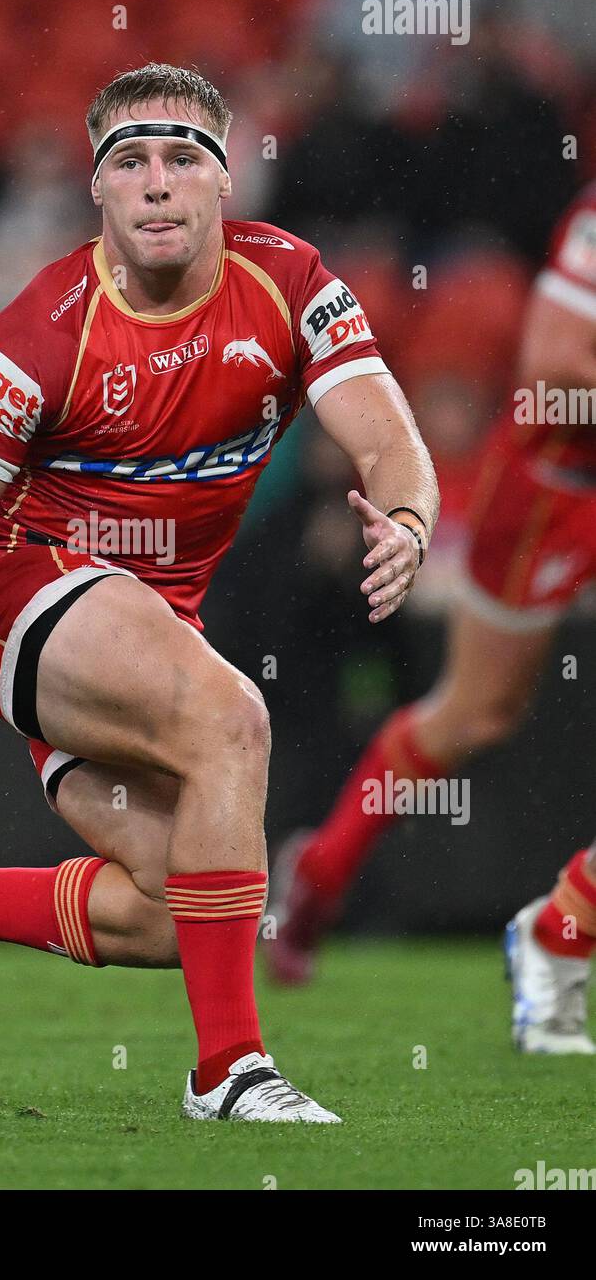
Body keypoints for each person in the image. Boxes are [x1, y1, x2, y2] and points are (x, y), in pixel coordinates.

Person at [0, 63, 438, 1122]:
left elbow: (388, 437)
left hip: (148, 624)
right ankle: (228, 1072)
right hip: (15, 590)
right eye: (131, 162)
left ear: (223, 179)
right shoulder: (42, 329)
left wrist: (408, 518)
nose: (158, 183)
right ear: (98, 192)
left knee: (181, 912)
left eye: (182, 158)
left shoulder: (289, 284)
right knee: (230, 720)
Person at [266, 185, 596, 1056]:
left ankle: (562, 933)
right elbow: (559, 365)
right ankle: (324, 869)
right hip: (553, 491)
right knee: (477, 714)